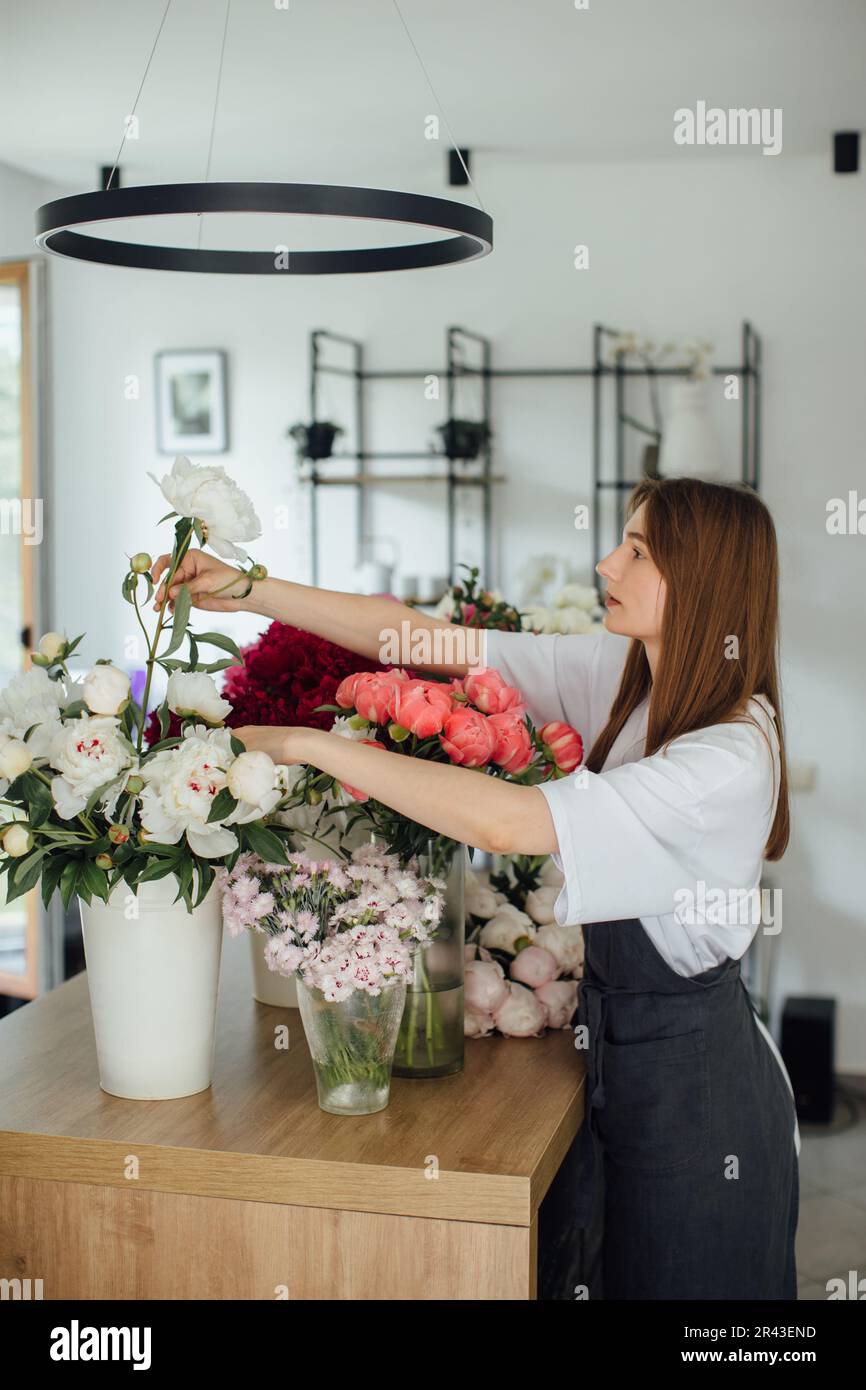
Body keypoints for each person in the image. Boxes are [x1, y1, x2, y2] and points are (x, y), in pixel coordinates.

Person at [152, 474, 800, 1301]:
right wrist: (247, 589)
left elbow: (513, 825)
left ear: (702, 579)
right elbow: (429, 641)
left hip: (702, 1106)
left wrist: (316, 749)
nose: (607, 564)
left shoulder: (727, 760)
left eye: (637, 552)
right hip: (628, 1062)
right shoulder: (633, 674)